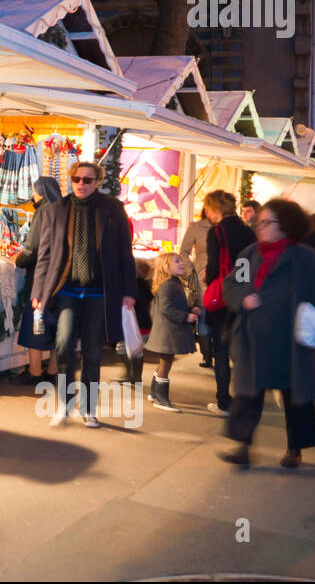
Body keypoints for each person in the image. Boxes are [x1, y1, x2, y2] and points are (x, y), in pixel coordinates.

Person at [220, 199, 315, 469]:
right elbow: (234, 283)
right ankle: (243, 445)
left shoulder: (306, 258)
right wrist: (244, 297)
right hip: (253, 337)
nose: (260, 227)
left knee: (295, 396)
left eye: (267, 222)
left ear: (286, 226)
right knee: (248, 393)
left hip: (291, 339)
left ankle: (295, 447)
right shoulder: (250, 254)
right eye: (260, 222)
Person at [30, 160, 138, 428]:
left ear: (97, 182)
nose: (81, 184)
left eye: (87, 180)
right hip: (66, 288)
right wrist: (39, 292)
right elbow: (44, 256)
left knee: (92, 351)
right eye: (77, 179)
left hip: (99, 292)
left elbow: (126, 252)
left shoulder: (112, 209)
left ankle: (89, 409)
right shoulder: (56, 211)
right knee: (63, 345)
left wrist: (129, 291)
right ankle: (65, 405)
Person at [203, 189, 254, 417]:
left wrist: (209, 276)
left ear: (215, 210)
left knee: (221, 351)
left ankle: (224, 401)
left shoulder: (217, 231)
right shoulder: (248, 231)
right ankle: (247, 398)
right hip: (246, 296)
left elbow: (214, 266)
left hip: (223, 298)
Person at [14, 176, 63, 384]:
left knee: (35, 323)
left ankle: (34, 372)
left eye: (34, 190)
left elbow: (33, 246)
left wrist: (20, 260)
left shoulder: (43, 211)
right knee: (57, 326)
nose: (33, 194)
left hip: (42, 277)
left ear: (41, 191)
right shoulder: (64, 209)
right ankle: (52, 371)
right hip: (62, 278)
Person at [144, 252, 199, 412]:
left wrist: (189, 309)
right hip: (168, 333)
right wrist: (185, 316)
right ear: (166, 267)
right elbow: (166, 308)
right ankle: (161, 398)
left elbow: (175, 305)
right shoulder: (169, 285)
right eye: (177, 261)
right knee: (166, 363)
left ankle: (155, 393)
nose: (181, 263)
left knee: (164, 362)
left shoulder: (174, 282)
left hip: (168, 332)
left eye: (180, 261)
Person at [179, 208, 213, 366]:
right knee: (204, 316)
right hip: (202, 277)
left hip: (223, 277)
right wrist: (189, 269)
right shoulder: (196, 227)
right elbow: (183, 251)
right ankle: (207, 355)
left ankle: (219, 353)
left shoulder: (225, 227)